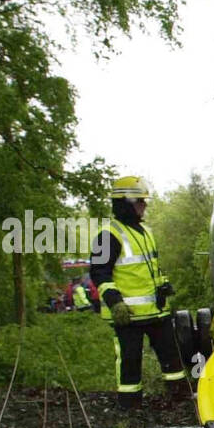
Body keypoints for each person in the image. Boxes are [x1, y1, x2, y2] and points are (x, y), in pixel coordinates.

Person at [89, 176, 187, 410]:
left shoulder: (145, 232)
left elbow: (151, 268)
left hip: (156, 311)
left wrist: (164, 285)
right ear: (125, 203)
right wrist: (115, 303)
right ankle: (130, 407)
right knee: (130, 360)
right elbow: (99, 272)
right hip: (128, 315)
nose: (145, 205)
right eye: (140, 201)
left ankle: (181, 401)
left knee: (172, 358)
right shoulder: (108, 234)